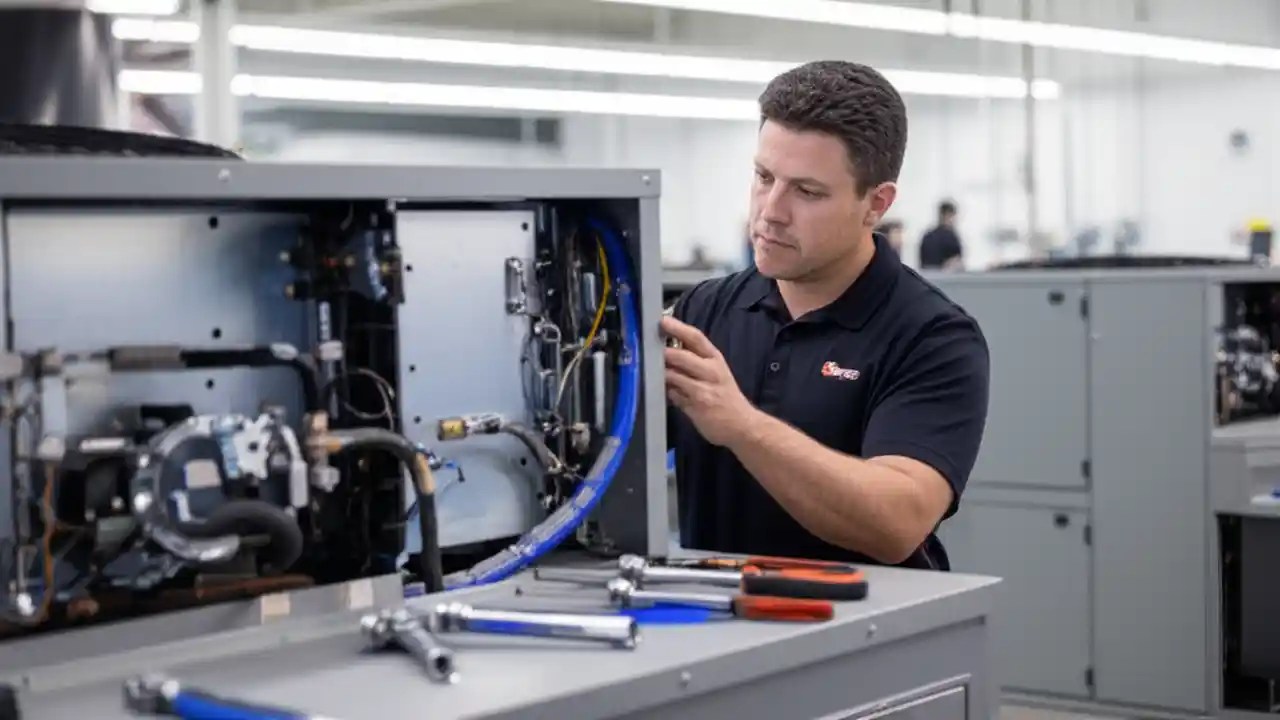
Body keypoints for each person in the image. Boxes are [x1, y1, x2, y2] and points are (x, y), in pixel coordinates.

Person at [662, 60, 990, 571]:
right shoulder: (704, 311)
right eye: (763, 177)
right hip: (721, 630)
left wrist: (743, 426)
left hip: (865, 639)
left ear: (875, 204)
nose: (771, 210)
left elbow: (898, 522)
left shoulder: (932, 337)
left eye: (807, 191)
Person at [919, 201, 964, 270]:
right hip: (945, 277)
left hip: (927, 277)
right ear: (948, 215)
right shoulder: (951, 238)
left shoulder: (928, 236)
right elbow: (957, 261)